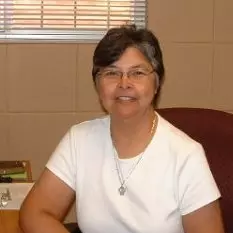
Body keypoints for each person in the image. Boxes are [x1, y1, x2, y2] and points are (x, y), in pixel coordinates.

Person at [19, 25, 225, 233]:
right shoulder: (79, 140)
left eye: (137, 72)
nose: (124, 83)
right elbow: (35, 212)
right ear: (97, 85)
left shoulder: (186, 156)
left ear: (157, 83)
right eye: (111, 73)